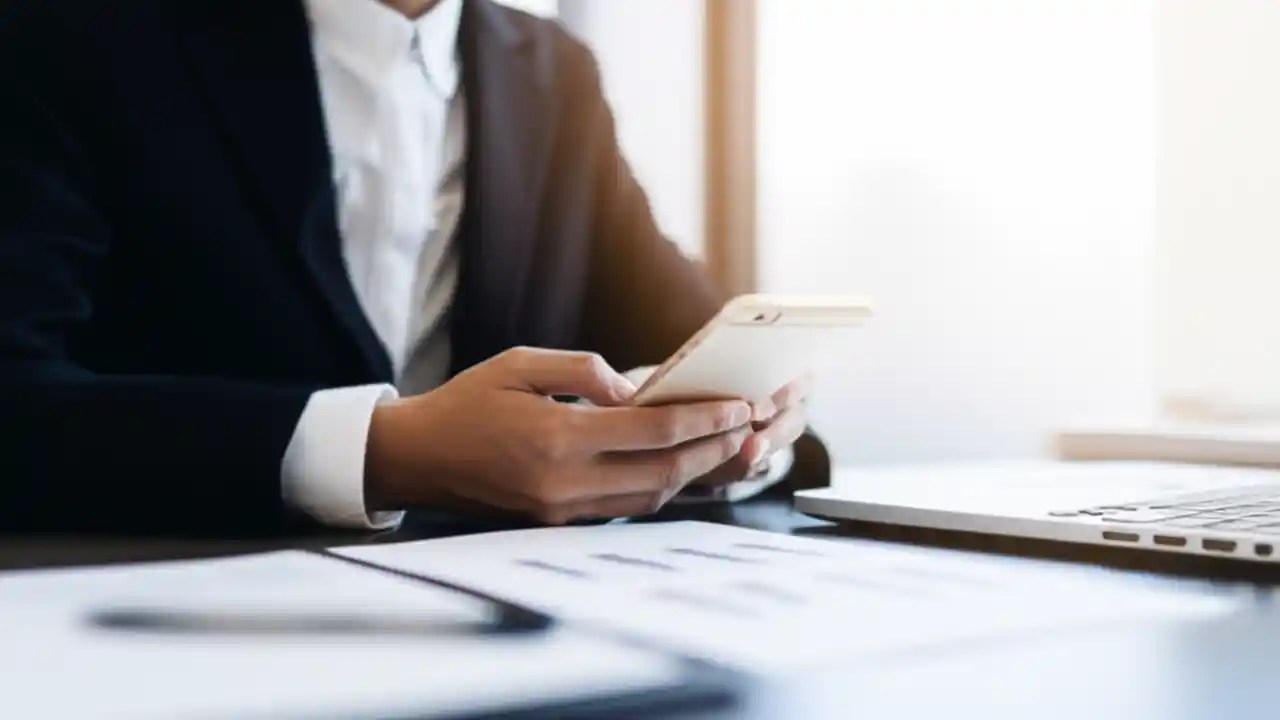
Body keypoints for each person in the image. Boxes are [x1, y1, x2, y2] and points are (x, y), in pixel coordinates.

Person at [0, 0, 823, 533]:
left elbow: (701, 344)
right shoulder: (73, 37)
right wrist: (389, 450)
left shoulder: (551, 74)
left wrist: (746, 424)